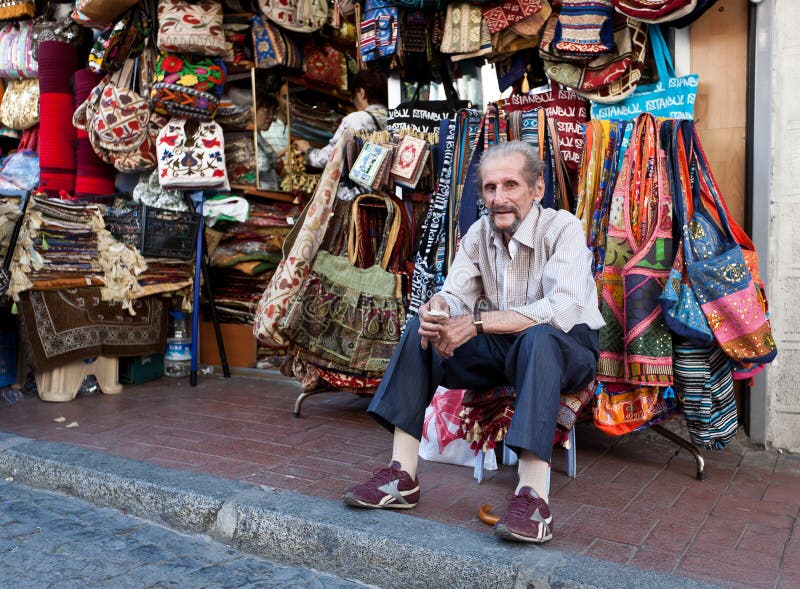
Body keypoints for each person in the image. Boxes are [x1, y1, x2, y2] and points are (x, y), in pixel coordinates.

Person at [342, 141, 604, 544]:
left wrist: (477, 322)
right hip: (506, 344)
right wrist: (437, 310)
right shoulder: (479, 233)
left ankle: (532, 497)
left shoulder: (563, 227)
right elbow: (455, 293)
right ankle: (402, 475)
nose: (498, 199)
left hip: (567, 347)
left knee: (539, 339)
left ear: (536, 189)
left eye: (511, 185)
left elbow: (561, 309)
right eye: (489, 188)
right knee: (421, 331)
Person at [294, 70, 388, 169]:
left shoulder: (356, 119)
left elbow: (329, 158)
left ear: (361, 93)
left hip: (358, 183)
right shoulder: (395, 120)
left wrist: (308, 150)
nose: (354, 102)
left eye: (353, 97)